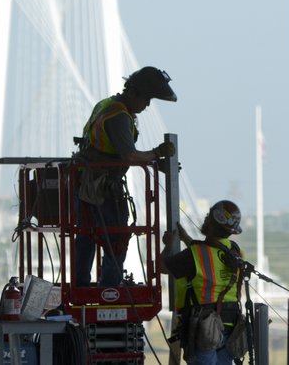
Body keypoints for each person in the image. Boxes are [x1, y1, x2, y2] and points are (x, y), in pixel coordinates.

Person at [74, 66, 177, 287]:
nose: (147, 105)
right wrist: (157, 153)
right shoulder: (119, 115)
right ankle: (110, 288)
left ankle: (82, 285)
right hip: (102, 187)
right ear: (134, 93)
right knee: (116, 238)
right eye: (146, 99)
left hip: (88, 184)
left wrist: (154, 162)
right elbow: (129, 156)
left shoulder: (107, 105)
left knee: (87, 235)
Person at [161, 200, 246, 365]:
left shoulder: (194, 254)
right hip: (231, 328)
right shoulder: (235, 251)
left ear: (212, 222)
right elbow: (209, 252)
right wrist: (186, 238)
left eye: (208, 216)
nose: (205, 218)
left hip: (205, 329)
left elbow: (161, 267)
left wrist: (168, 245)